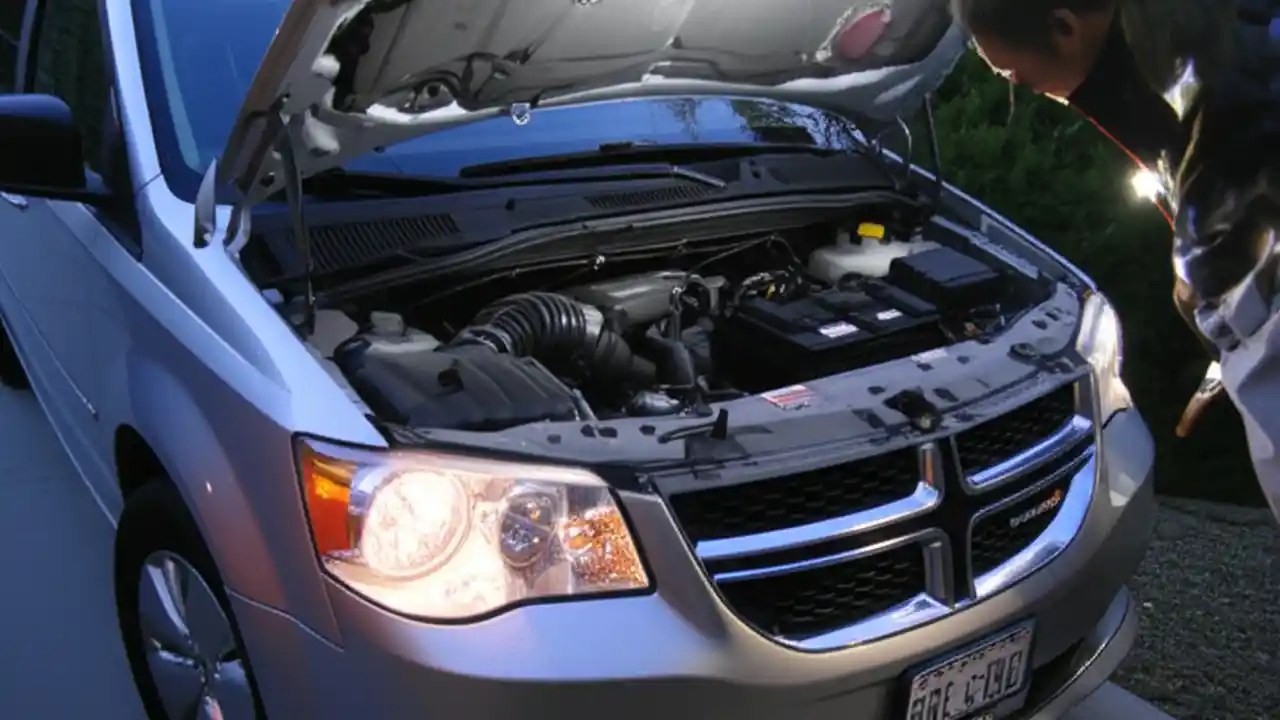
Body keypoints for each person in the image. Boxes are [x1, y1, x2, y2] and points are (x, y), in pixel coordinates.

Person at [949, 0, 1280, 522]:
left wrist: (1210, 307)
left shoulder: (1227, 120)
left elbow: (1258, 338)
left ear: (1064, 27)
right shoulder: (1211, 33)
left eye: (1018, 76)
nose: (1018, 88)